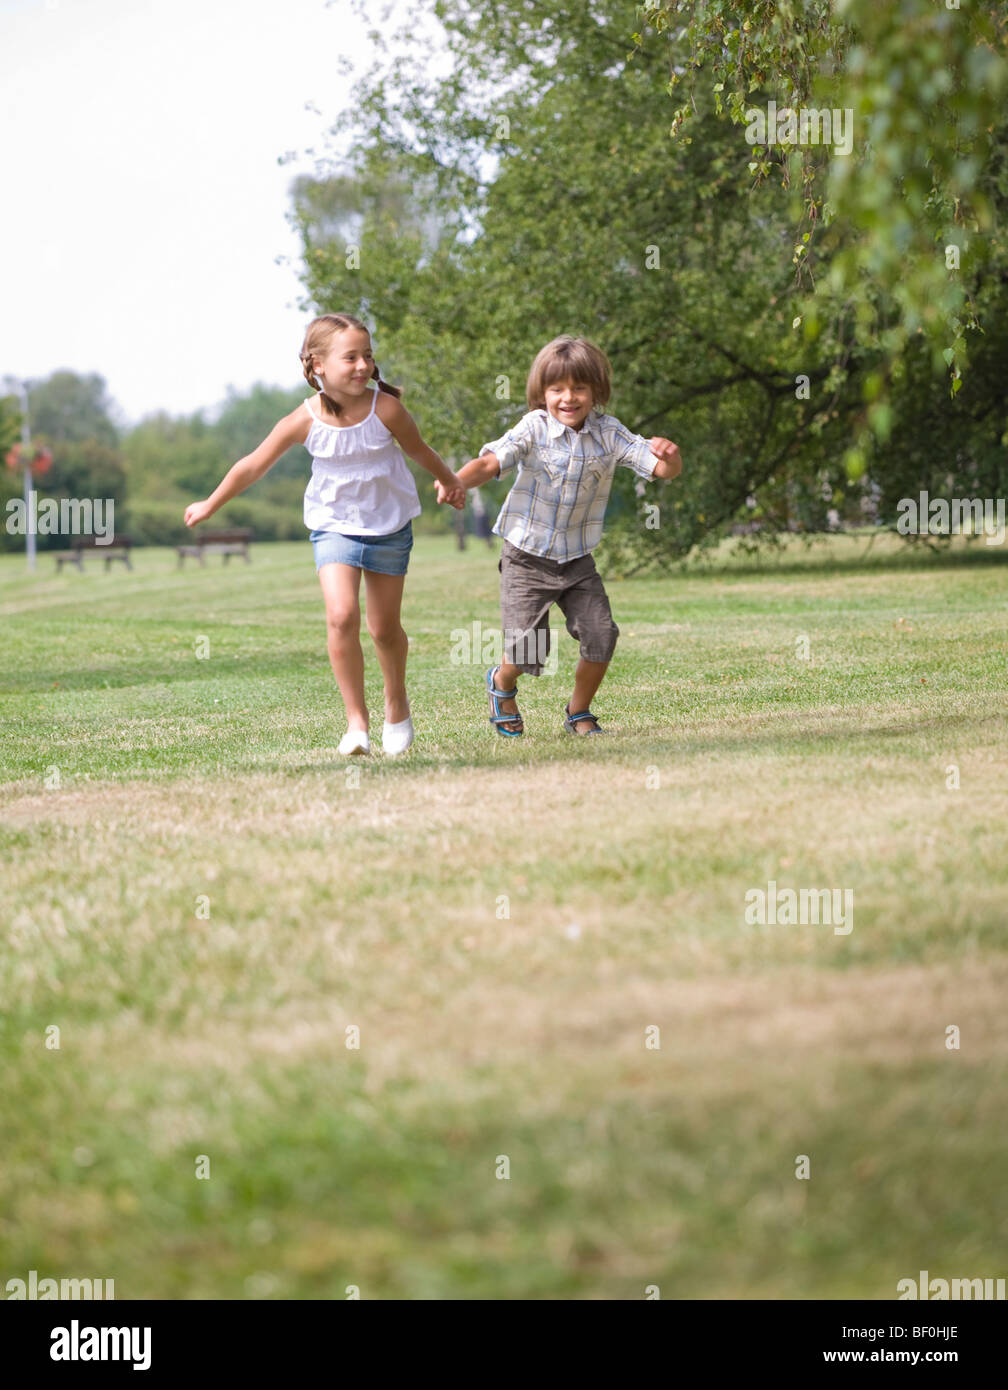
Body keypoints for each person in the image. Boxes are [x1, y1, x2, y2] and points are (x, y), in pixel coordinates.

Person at [184, 313, 464, 756]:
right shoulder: (304, 418)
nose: (362, 366)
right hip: (334, 527)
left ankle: (396, 703)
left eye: (367, 356)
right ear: (316, 365)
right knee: (340, 615)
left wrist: (450, 481)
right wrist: (210, 504)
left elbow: (419, 450)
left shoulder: (386, 408)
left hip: (389, 526)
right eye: (350, 357)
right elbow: (253, 465)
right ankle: (357, 722)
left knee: (384, 628)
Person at [435, 335, 681, 737]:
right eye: (557, 389)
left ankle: (578, 712)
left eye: (579, 388)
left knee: (602, 634)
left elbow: (659, 469)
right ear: (542, 393)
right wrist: (455, 481)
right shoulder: (534, 428)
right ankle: (502, 683)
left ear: (595, 391)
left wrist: (670, 458)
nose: (568, 398)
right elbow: (492, 461)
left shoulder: (609, 433)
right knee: (528, 650)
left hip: (577, 560)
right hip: (526, 556)